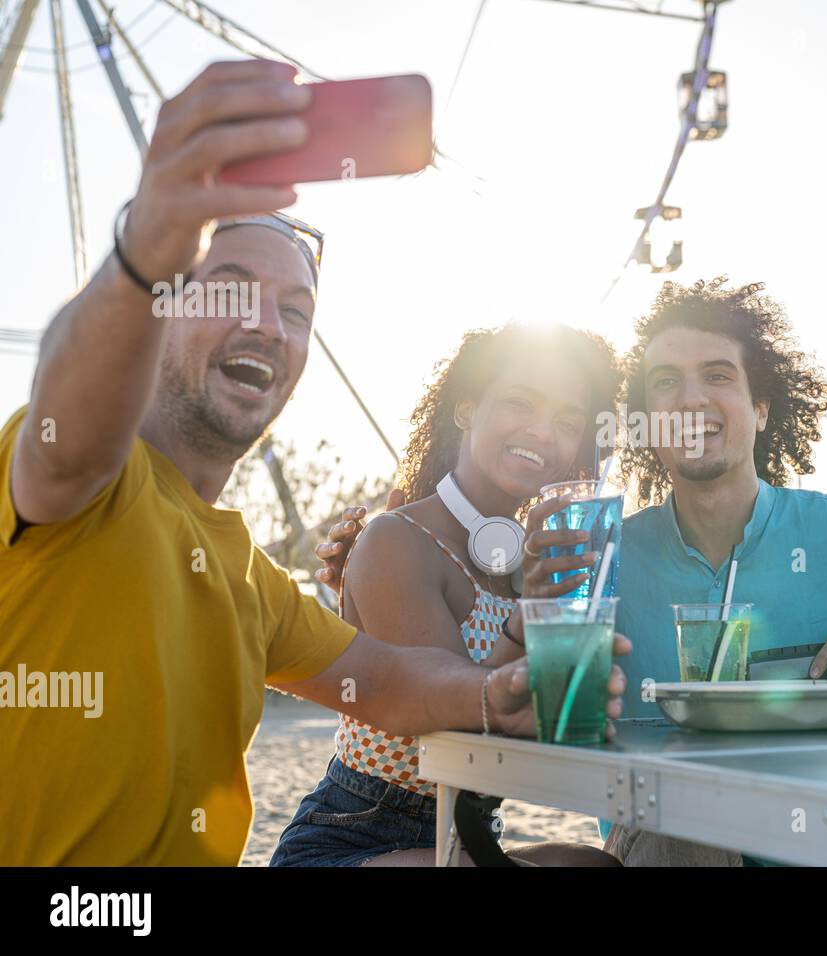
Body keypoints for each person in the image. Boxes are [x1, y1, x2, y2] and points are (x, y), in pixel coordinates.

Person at [0, 59, 627, 866]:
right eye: (228, 290)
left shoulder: (247, 577)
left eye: (296, 311)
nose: (267, 325)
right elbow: (70, 400)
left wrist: (495, 694)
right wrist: (153, 236)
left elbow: (392, 683)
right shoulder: (72, 480)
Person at [319, 277, 827, 865]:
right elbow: (467, 714)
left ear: (763, 408)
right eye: (665, 382)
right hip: (378, 828)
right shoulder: (587, 559)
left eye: (716, 375)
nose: (690, 400)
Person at [272, 324, 624, 866]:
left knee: (596, 864)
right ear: (465, 409)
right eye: (518, 402)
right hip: (356, 833)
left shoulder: (538, 559)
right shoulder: (395, 540)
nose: (543, 431)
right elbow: (454, 734)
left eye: (568, 421)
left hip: (466, 833)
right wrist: (525, 619)